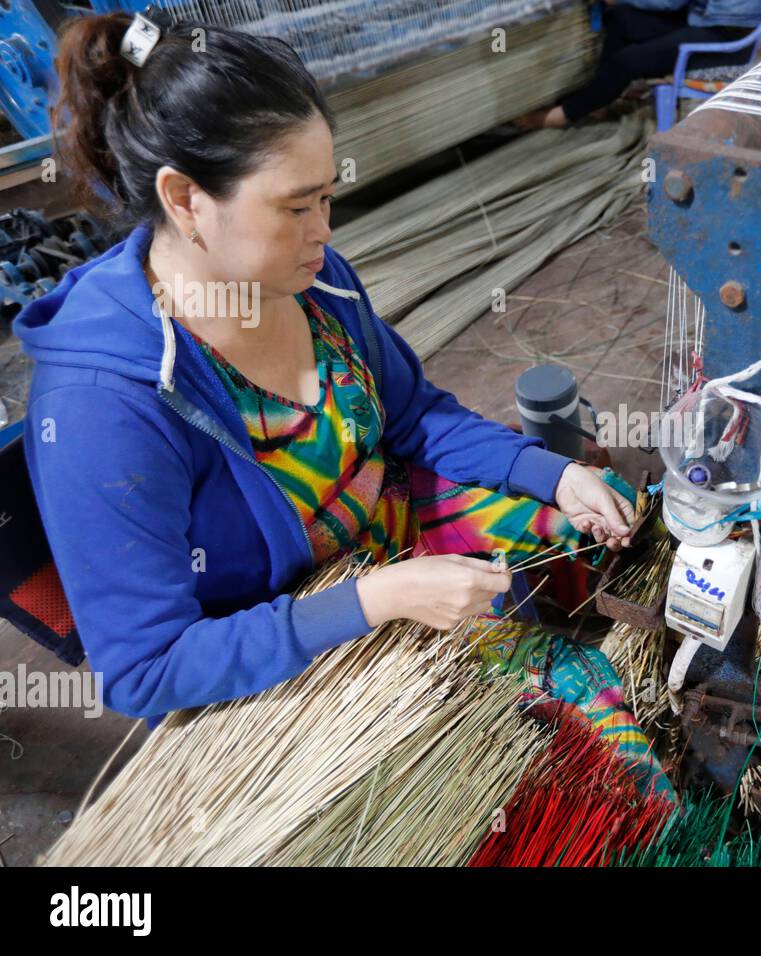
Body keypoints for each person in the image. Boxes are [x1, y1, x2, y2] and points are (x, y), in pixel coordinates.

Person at [17, 12, 673, 799]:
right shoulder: (105, 406)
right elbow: (147, 668)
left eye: (328, 198)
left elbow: (415, 416)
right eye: (296, 207)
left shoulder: (314, 282)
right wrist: (379, 600)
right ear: (186, 198)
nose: (325, 232)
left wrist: (551, 474)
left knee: (610, 534)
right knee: (598, 745)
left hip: (385, 536)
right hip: (288, 626)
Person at [518, 0, 761, 129]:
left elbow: (669, 2)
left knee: (627, 62)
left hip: (724, 39)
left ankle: (561, 116)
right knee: (623, 20)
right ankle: (599, 101)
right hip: (705, 20)